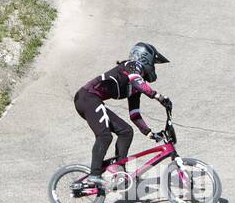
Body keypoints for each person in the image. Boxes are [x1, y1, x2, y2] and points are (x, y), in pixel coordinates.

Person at [73, 43, 172, 184]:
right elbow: (136, 80)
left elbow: (135, 114)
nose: (153, 67)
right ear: (145, 58)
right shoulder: (132, 65)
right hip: (87, 98)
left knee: (126, 131)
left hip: (92, 101)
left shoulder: (135, 87)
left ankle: (118, 168)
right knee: (104, 136)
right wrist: (158, 96)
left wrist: (150, 133)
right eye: (153, 63)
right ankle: (94, 175)